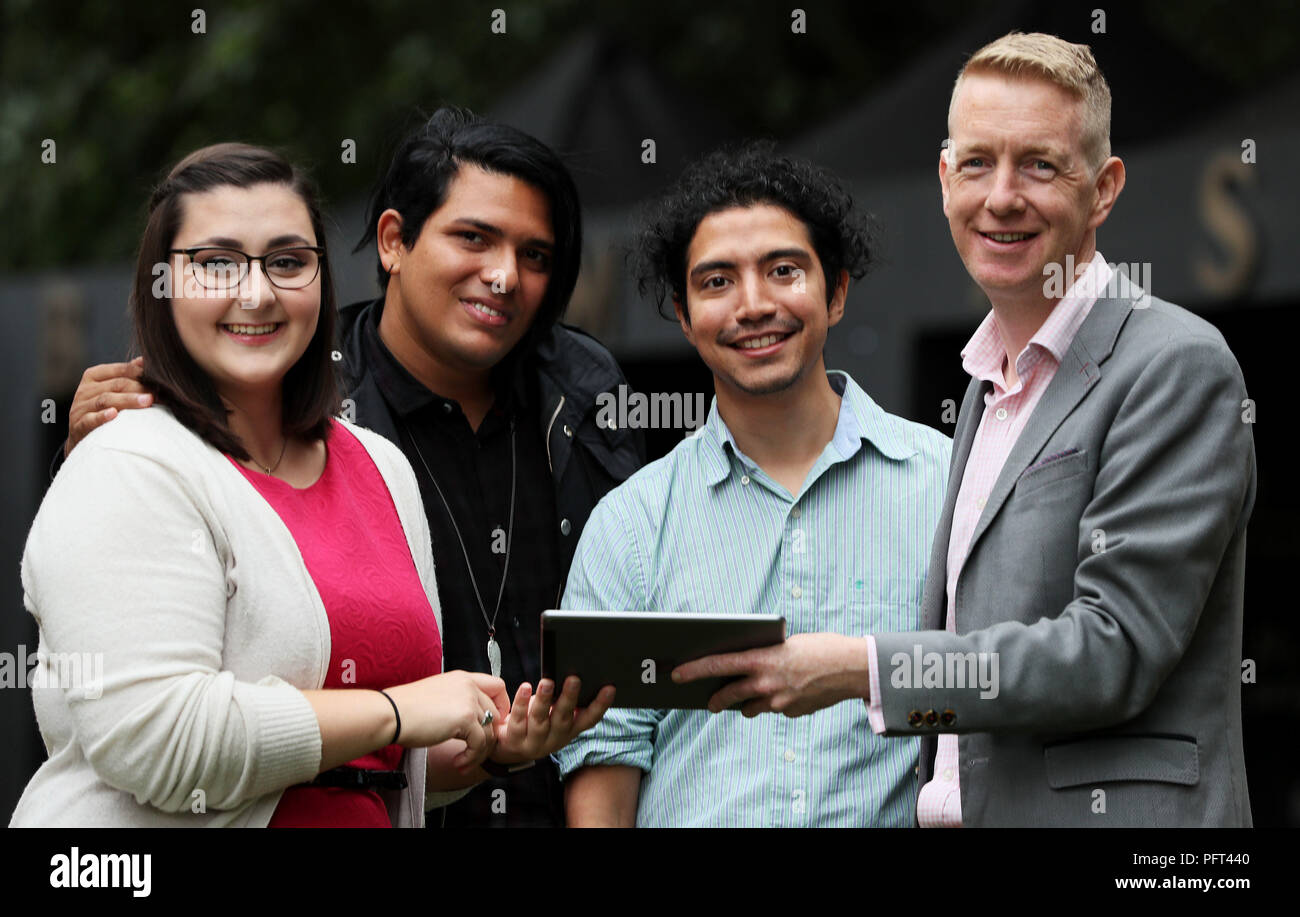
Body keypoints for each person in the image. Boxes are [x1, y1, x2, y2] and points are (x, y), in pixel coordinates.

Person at [674, 32, 1255, 827]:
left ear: (1106, 187)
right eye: (978, 163)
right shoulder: (986, 384)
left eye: (1040, 165)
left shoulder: (1174, 362)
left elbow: (1111, 650)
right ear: (945, 179)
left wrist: (862, 668)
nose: (1002, 196)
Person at [57, 109, 637, 827]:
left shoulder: (389, 460)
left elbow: (379, 766)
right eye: (474, 237)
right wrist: (397, 711)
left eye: (537, 255)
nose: (504, 275)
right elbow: (161, 735)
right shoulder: (137, 454)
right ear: (392, 241)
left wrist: (490, 749)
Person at [557, 143, 951, 827]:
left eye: (783, 270)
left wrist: (867, 669)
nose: (753, 304)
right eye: (716, 282)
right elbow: (605, 759)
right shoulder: (630, 523)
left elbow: (998, 688)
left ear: (837, 290)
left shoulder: (950, 485)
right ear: (682, 314)